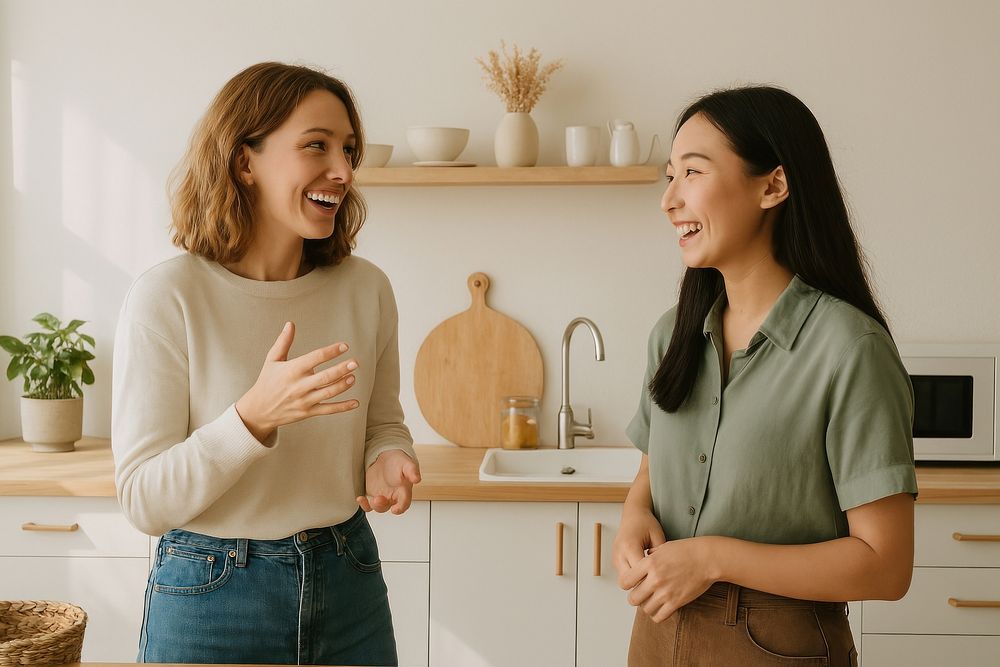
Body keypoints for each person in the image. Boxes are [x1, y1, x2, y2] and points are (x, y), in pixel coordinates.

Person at [112, 61, 420, 666]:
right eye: (316, 145)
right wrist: (251, 419)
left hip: (347, 577)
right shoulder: (168, 297)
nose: (343, 170)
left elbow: (382, 421)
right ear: (243, 161)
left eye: (348, 149)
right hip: (210, 595)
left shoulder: (366, 289)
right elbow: (143, 499)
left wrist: (388, 456)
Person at [613, 85, 917, 666]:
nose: (669, 199)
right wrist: (634, 516)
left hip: (776, 647)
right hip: (657, 635)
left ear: (772, 186)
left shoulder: (850, 350)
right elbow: (650, 471)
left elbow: (886, 565)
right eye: (669, 175)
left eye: (693, 172)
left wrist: (712, 558)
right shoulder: (673, 334)